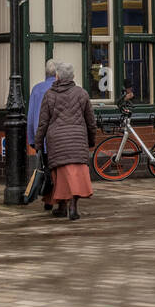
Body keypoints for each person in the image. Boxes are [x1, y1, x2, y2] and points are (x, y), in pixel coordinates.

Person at [33, 62, 97, 220]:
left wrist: (38, 143)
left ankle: (62, 206)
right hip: (77, 140)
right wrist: (91, 140)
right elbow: (91, 122)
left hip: (58, 142)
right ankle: (73, 206)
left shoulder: (50, 95)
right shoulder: (82, 94)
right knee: (77, 176)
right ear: (73, 77)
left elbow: (43, 122)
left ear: (57, 76)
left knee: (60, 176)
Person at [27, 59, 58, 210]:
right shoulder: (62, 88)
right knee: (58, 170)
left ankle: (48, 200)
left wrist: (32, 140)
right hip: (60, 138)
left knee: (46, 167)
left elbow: (31, 117)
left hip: (42, 137)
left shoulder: (37, 89)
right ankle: (55, 199)